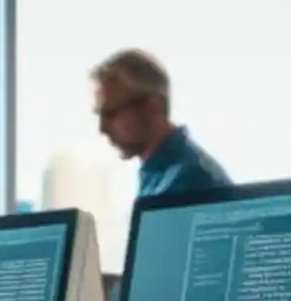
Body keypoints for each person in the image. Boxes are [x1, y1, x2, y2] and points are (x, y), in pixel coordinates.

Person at [91, 49, 232, 198]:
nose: (102, 129)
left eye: (111, 114)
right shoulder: (161, 174)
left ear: (153, 107)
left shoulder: (187, 181)